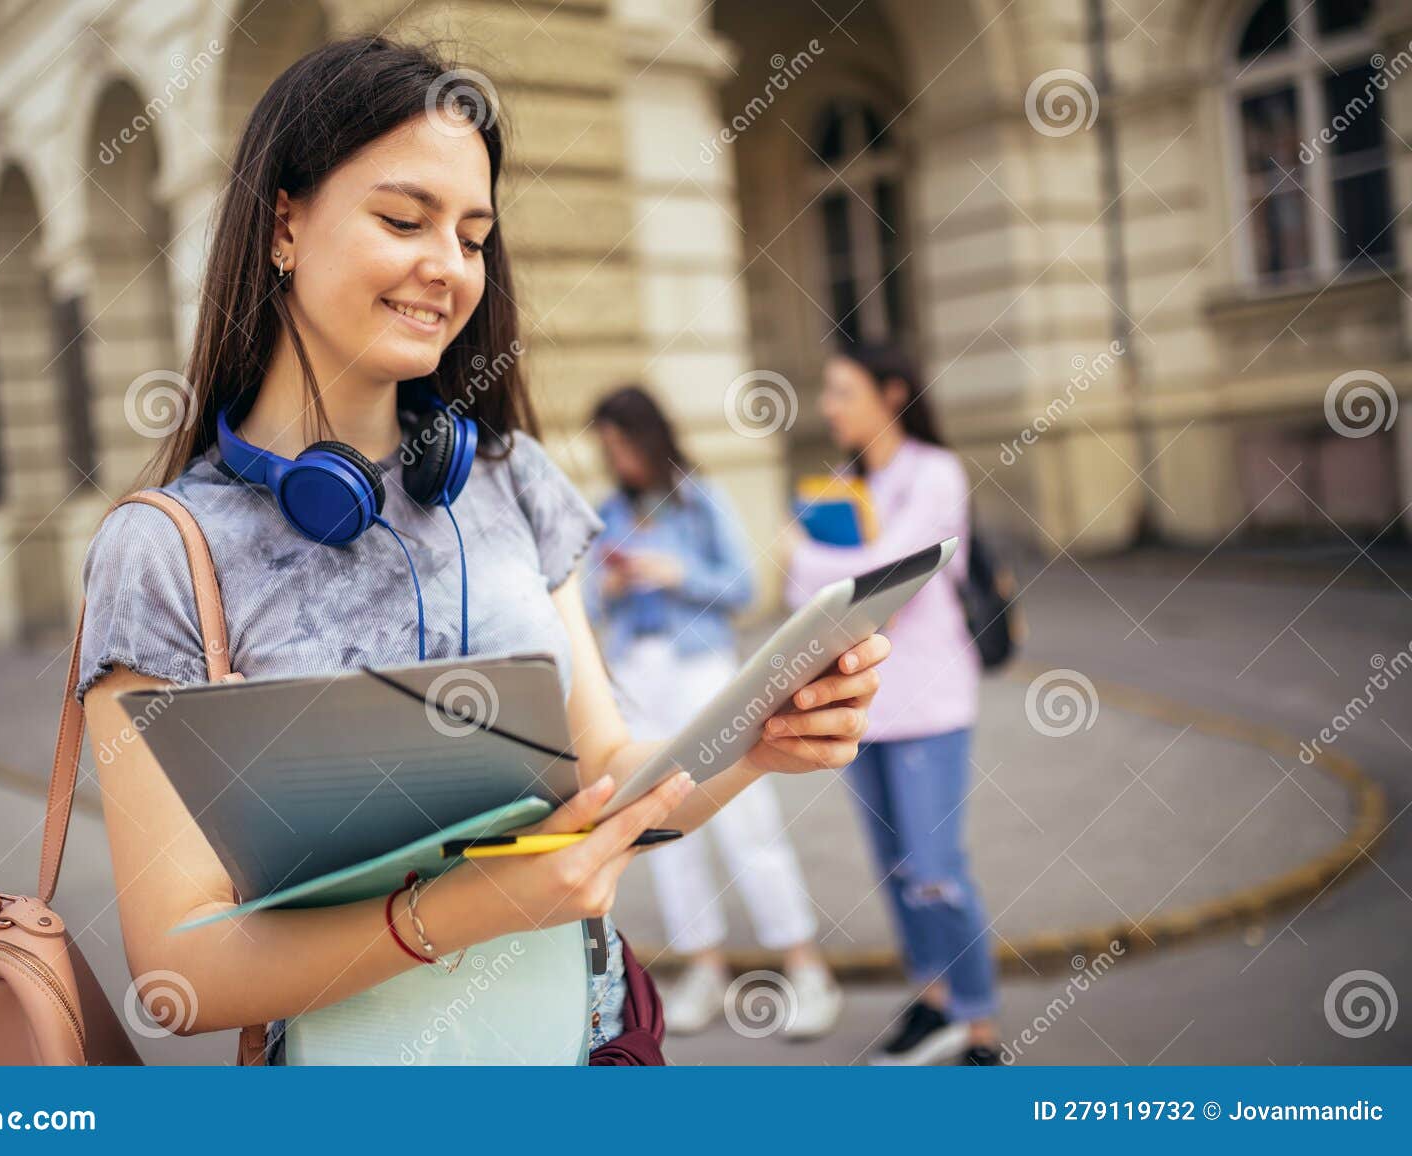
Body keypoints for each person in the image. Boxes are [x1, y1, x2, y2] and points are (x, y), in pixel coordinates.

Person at [75, 36, 890, 1066]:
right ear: (283, 222)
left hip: (600, 1046)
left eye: (473, 235)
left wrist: (750, 740)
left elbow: (607, 779)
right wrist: (465, 908)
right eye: (404, 220)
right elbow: (177, 972)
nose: (448, 268)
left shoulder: (512, 479)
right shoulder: (158, 553)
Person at [583, 386, 841, 1039]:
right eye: (606, 447)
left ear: (649, 436)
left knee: (745, 819)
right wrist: (609, 584)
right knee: (656, 823)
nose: (617, 458)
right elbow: (583, 607)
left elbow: (745, 588)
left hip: (703, 670)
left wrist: (677, 573)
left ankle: (804, 966)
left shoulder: (700, 499)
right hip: (638, 677)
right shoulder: (608, 511)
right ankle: (705, 965)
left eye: (622, 443)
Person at [785, 342, 1000, 1066]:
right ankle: (933, 1002)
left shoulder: (935, 474)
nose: (828, 407)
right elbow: (802, 603)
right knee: (895, 869)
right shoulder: (840, 485)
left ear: (891, 393)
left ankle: (979, 1033)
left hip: (932, 704)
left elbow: (894, 577)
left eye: (843, 392)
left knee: (936, 869)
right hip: (865, 704)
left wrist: (805, 556)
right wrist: (822, 576)